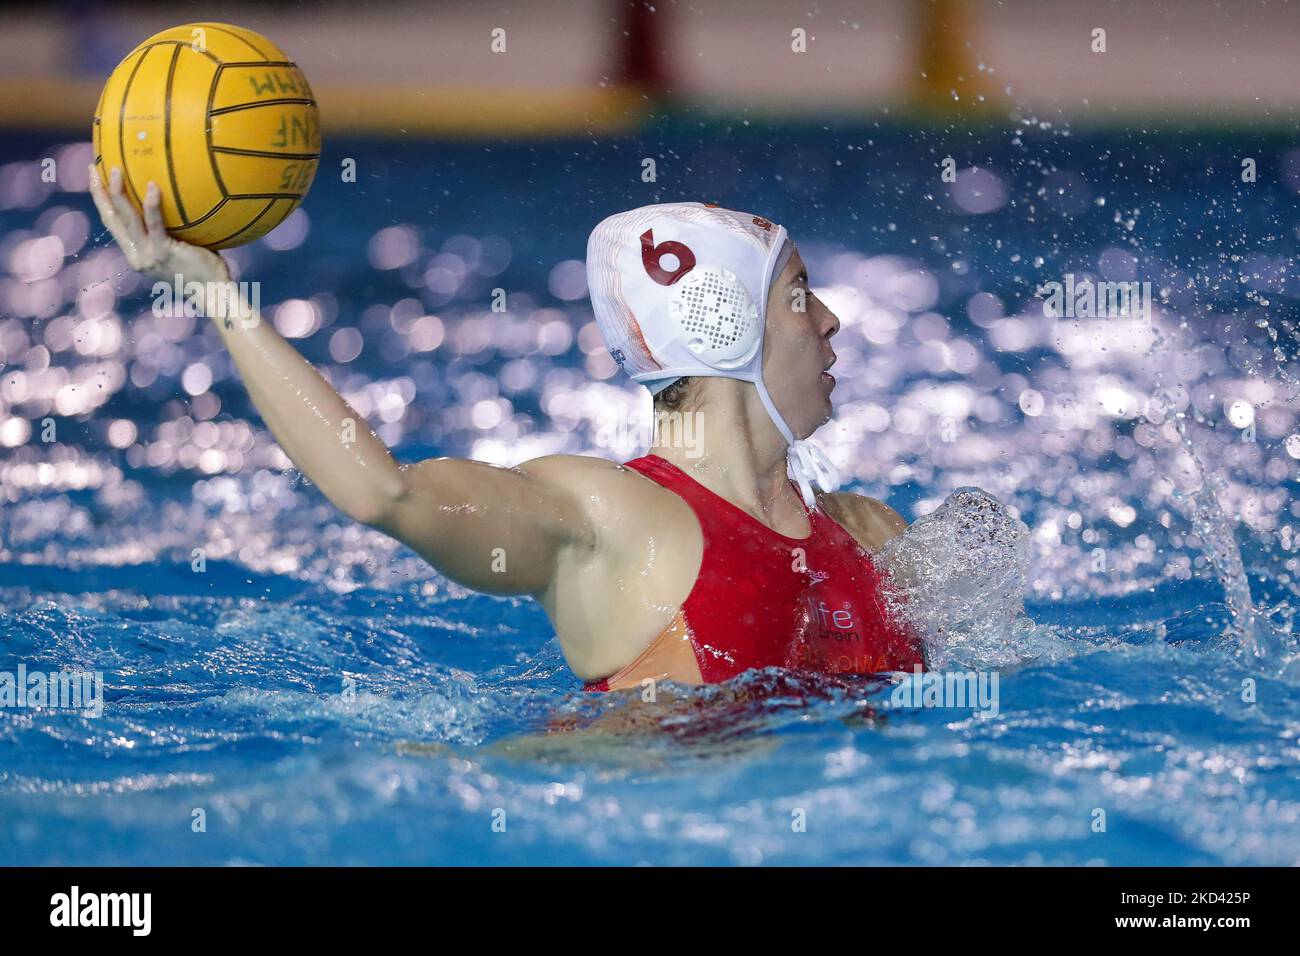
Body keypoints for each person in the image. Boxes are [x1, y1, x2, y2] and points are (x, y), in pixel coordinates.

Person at [89, 172, 925, 691]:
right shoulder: (610, 520)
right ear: (723, 322)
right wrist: (217, 298)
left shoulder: (873, 532)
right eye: (799, 295)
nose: (831, 320)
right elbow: (385, 491)